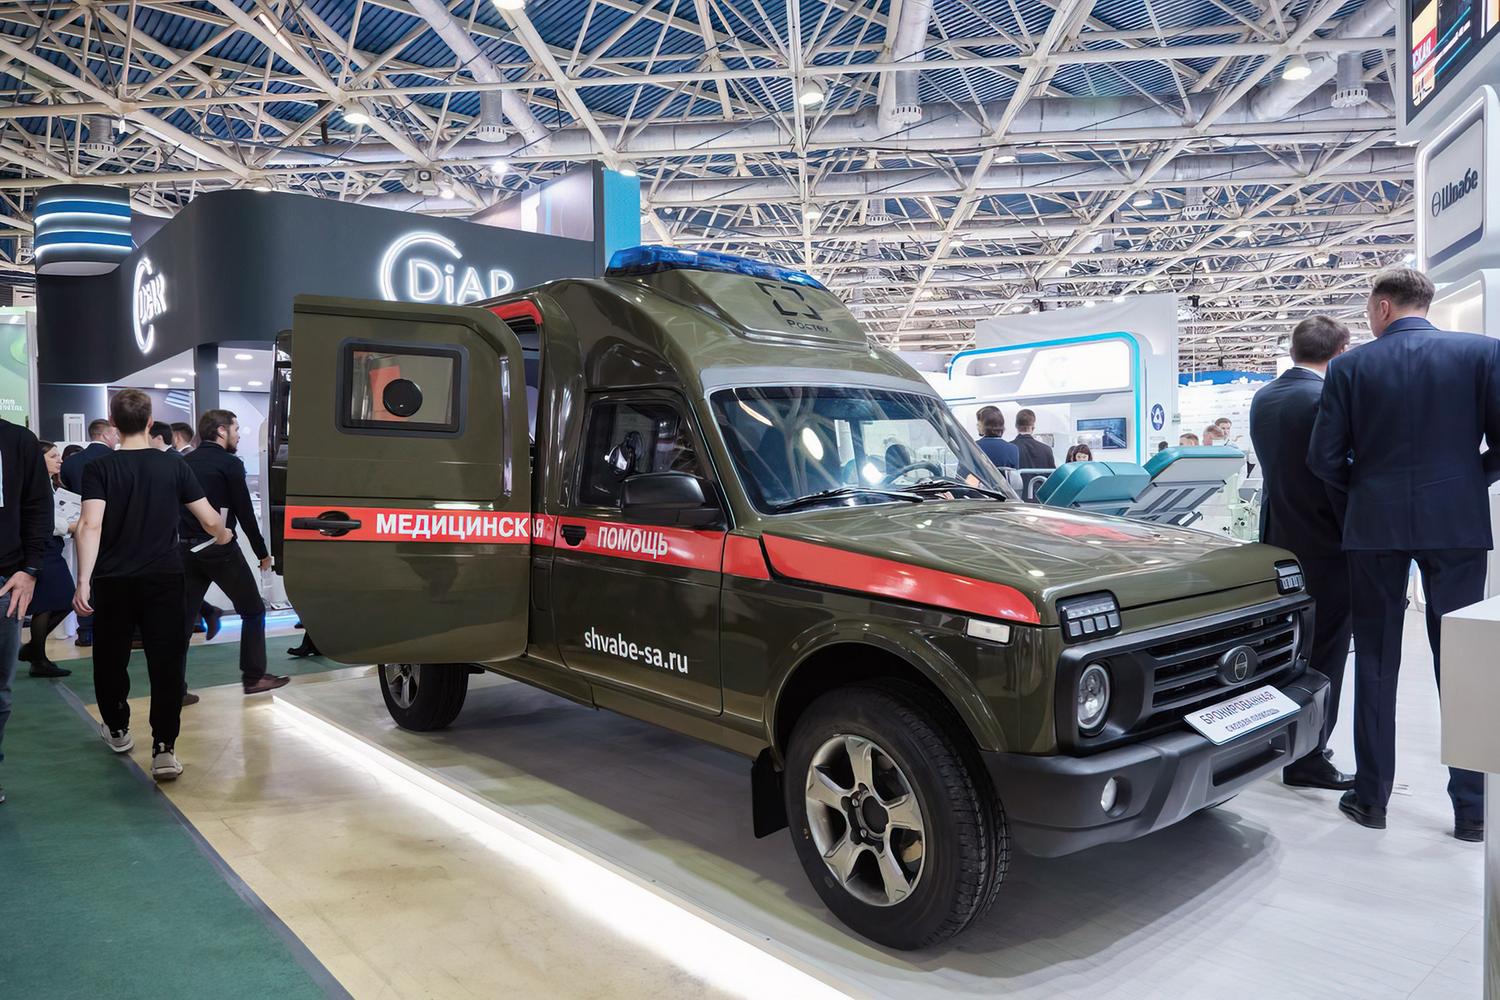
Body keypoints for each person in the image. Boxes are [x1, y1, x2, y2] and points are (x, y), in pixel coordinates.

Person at [1309, 268, 1500, 842]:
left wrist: (1365, 492)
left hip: (1375, 525)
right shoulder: (1483, 353)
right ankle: (1472, 812)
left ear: (1384, 307)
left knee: (1375, 659)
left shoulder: (1349, 367)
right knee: (1462, 662)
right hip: (1456, 524)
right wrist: (1467, 482)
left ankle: (1371, 799)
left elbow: (1324, 458)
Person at [73, 389, 233, 782]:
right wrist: (223, 533)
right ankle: (164, 748)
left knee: (110, 658)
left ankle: (117, 728)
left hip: (113, 579)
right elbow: (208, 518)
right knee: (166, 662)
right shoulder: (174, 465)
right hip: (164, 577)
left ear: (113, 424)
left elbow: (90, 525)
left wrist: (83, 580)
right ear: (149, 422)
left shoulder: (100, 468)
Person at [1249, 316, 1354, 791]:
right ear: (1341, 351)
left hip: (1279, 544)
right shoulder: (1324, 398)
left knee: (1286, 654)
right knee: (1326, 656)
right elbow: (1333, 474)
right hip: (1328, 546)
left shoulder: (1264, 397)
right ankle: (1310, 757)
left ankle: (1281, 744)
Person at [180, 410, 287, 696]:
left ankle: (174, 690)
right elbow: (244, 512)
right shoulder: (230, 464)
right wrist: (262, 552)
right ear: (221, 431)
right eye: (236, 429)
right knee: (253, 610)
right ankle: (254, 677)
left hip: (185, 550)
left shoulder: (183, 462)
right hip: (220, 549)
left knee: (182, 623)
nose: (239, 435)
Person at [0, 416, 54, 804]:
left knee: (0, 691)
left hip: (6, 582)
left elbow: (38, 505)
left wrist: (30, 569)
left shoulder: (17, 440)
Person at [19, 442, 77, 678]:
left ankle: (35, 652)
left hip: (50, 548)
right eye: (53, 456)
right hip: (43, 549)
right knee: (51, 602)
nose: (60, 460)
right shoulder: (33, 485)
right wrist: (70, 526)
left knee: (57, 601)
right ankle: (37, 656)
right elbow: (41, 519)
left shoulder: (48, 484)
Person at [59, 418, 115, 647]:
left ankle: (85, 631)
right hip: (114, 528)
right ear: (105, 434)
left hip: (81, 527)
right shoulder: (114, 460)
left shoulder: (71, 463)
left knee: (86, 576)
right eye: (114, 434)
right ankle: (110, 627)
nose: (116, 438)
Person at [60, 418, 117, 492]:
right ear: (106, 436)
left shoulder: (69, 461)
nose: (117, 438)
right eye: (115, 435)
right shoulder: (117, 459)